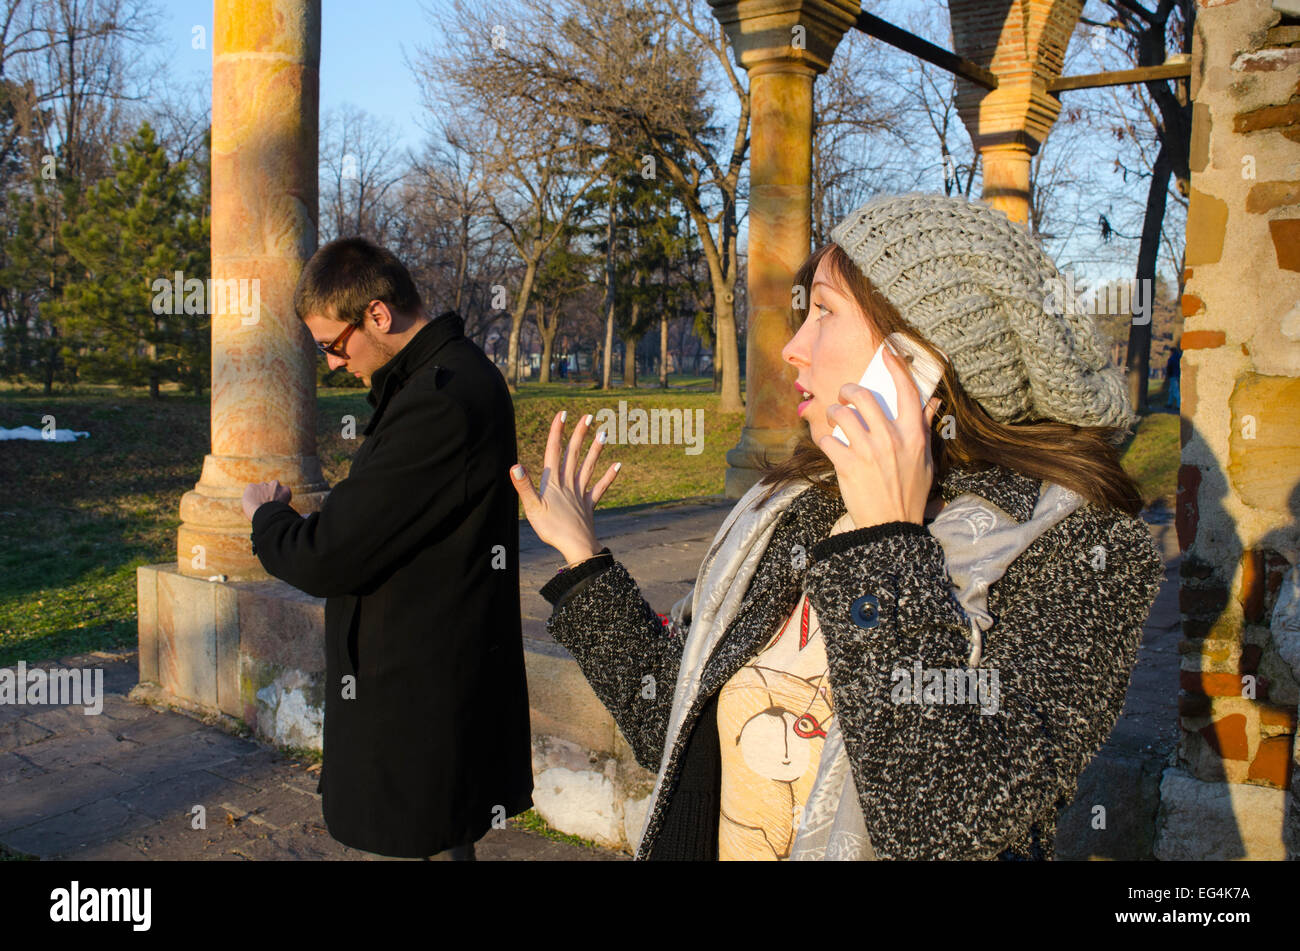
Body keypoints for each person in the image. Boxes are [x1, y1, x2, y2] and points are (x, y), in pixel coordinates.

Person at [509, 193, 1165, 861]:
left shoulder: (1081, 550)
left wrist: (887, 543)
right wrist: (582, 556)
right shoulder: (794, 506)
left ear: (918, 355)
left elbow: (942, 824)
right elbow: (672, 724)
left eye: (823, 311)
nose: (793, 348)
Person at [242, 237, 533, 860]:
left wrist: (268, 517)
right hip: (427, 688)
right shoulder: (439, 378)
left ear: (376, 314)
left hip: (416, 701)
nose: (332, 364)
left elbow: (329, 554)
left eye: (332, 346)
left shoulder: (438, 398)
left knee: (410, 841)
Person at [1165, 340, 1181, 410]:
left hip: (1173, 376)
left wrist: (1168, 375)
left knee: (1175, 390)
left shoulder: (1171, 359)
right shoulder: (1179, 357)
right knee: (1171, 390)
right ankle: (1169, 403)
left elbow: (1169, 367)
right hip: (1178, 375)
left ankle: (1179, 405)